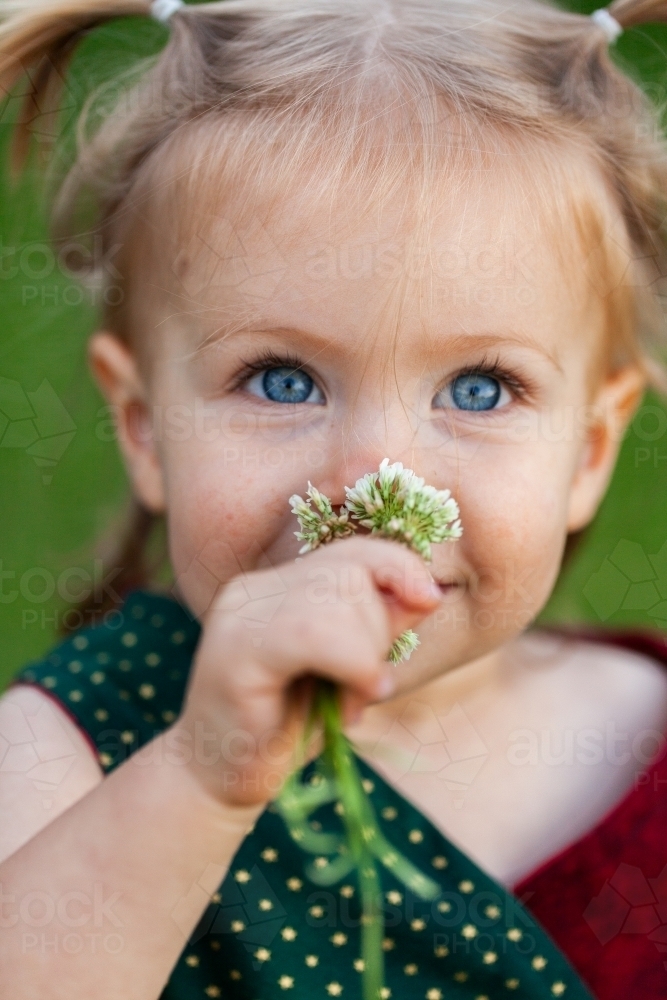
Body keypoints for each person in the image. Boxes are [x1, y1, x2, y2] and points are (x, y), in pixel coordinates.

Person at [1, 0, 667, 996]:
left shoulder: (640, 733)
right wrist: (197, 780)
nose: (371, 475)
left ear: (587, 450)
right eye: (279, 379)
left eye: (479, 389)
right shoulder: (75, 743)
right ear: (144, 426)